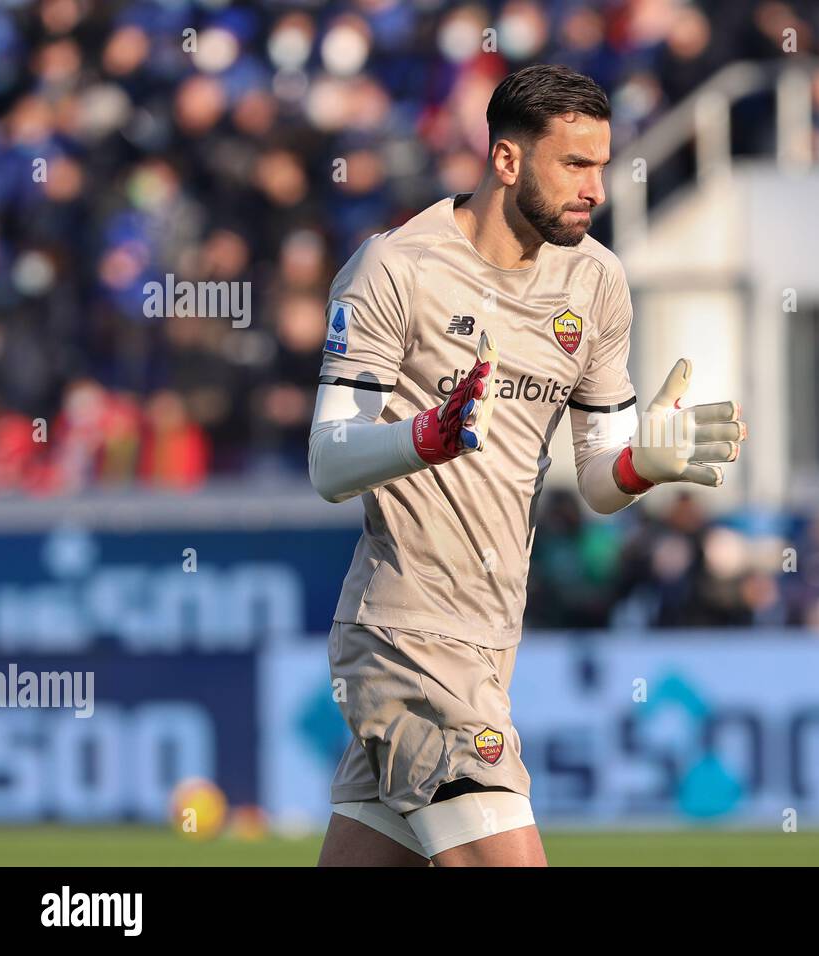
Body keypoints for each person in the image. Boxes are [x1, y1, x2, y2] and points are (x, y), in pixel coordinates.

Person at [307, 64, 747, 867]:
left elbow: (597, 476)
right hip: (407, 633)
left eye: (602, 165)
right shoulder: (395, 268)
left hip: (490, 638)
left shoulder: (598, 282)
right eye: (574, 165)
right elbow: (328, 460)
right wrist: (424, 437)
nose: (596, 188)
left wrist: (647, 463)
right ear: (506, 160)